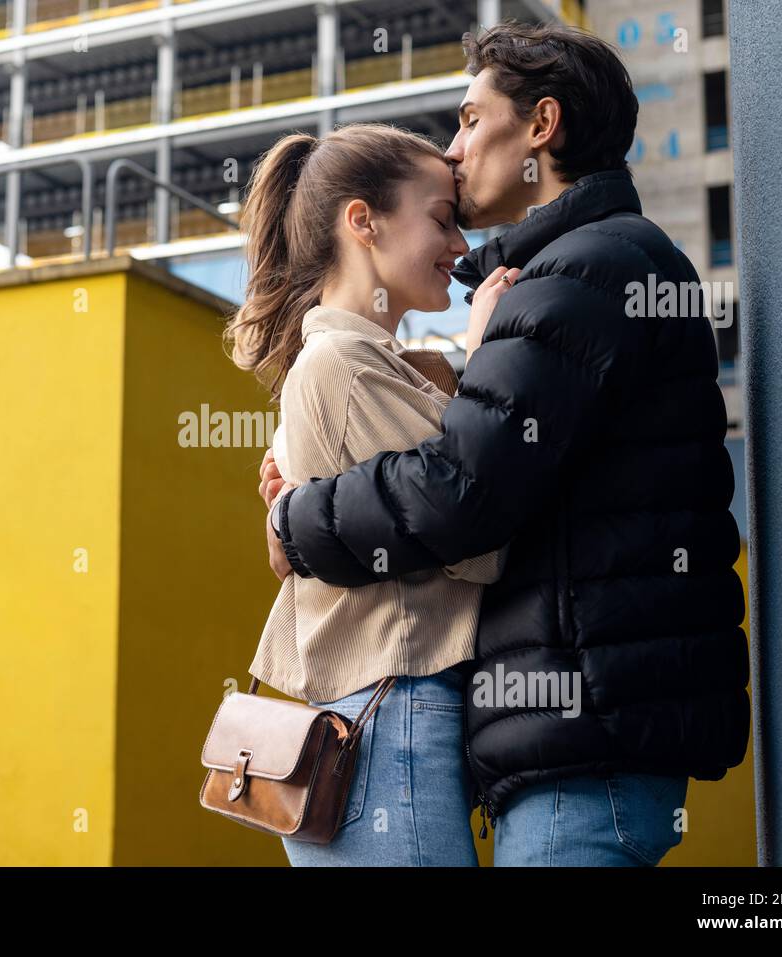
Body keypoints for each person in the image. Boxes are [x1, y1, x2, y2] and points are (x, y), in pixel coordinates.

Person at [261, 22, 750, 866]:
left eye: (468, 118)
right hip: (580, 725)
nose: (452, 151)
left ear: (540, 126)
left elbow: (460, 492)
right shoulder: (589, 266)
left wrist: (294, 520)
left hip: (584, 734)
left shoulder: (582, 273)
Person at [226, 121, 515, 865]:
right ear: (363, 221)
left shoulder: (357, 362)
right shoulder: (346, 366)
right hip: (394, 716)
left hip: (369, 718)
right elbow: (477, 526)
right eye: (441, 218)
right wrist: (487, 354)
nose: (459, 246)